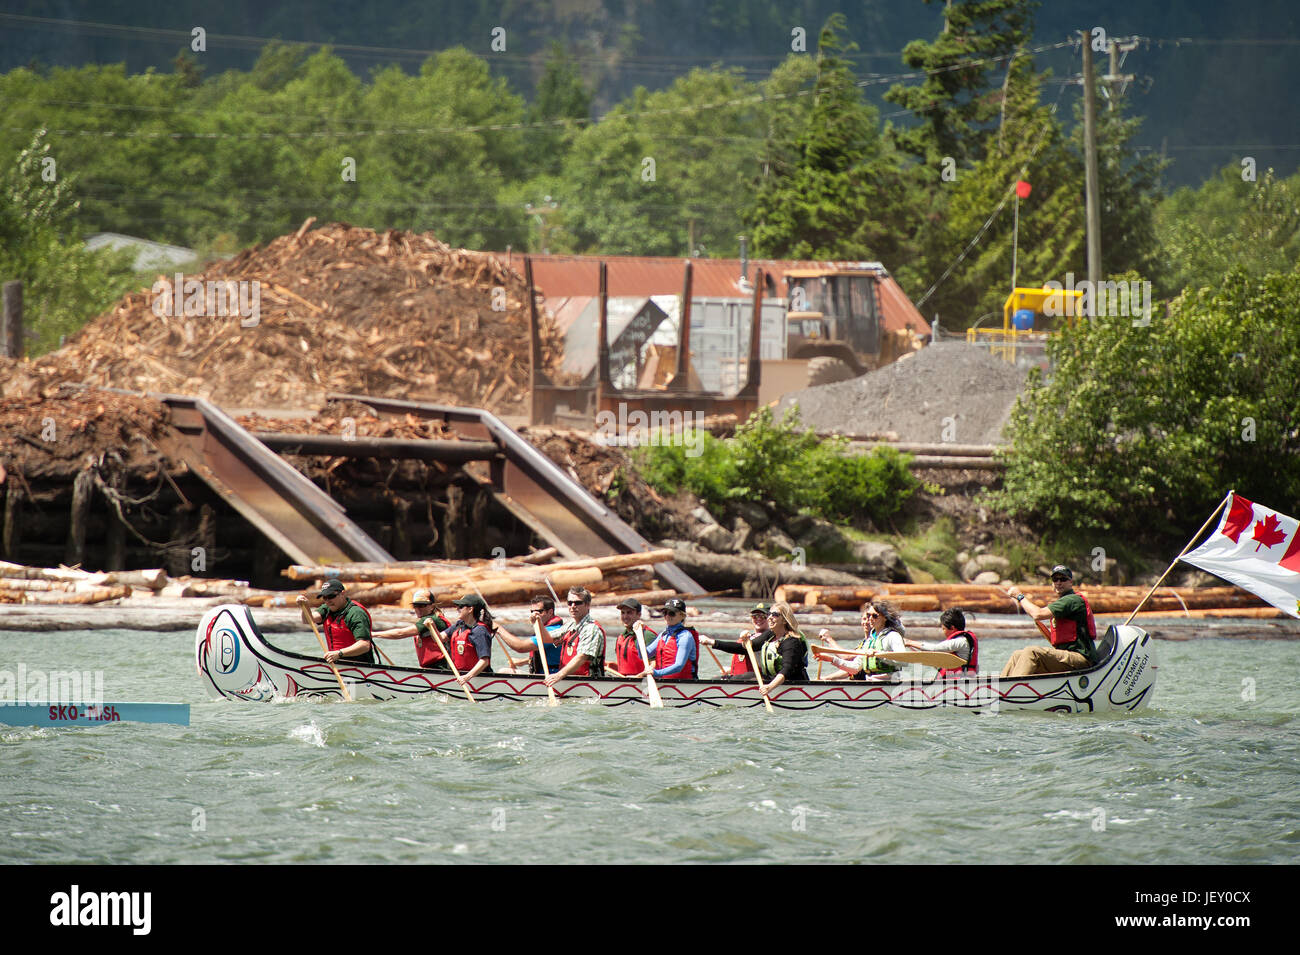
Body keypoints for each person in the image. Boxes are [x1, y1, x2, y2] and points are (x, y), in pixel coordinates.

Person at [1001, 565, 1098, 677]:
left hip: (1081, 659)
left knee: (1031, 653)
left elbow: (1037, 614)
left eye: (1063, 579)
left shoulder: (1073, 600)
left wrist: (1019, 596)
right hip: (1067, 657)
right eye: (1055, 579)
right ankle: (1000, 688)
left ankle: (1013, 689)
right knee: (1017, 655)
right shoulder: (1063, 601)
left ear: (1070, 582)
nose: (1058, 582)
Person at [703, 600, 807, 693]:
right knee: (738, 677)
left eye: (775, 614)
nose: (770, 617)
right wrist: (713, 642)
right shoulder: (770, 635)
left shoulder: (791, 641)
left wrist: (770, 687)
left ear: (784, 620)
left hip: (792, 684)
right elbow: (745, 648)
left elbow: (786, 669)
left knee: (749, 678)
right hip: (772, 680)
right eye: (769, 614)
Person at [815, 601, 906, 681]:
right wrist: (831, 659)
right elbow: (855, 668)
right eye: (868, 615)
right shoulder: (869, 641)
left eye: (874, 616)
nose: (870, 619)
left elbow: (903, 660)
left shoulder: (893, 636)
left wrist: (879, 655)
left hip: (889, 684)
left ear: (885, 618)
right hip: (871, 683)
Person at [296, 579, 374, 665]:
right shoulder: (327, 608)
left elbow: (364, 645)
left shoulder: (356, 613)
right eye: (324, 597)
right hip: (337, 664)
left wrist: (339, 653)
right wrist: (305, 606)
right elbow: (307, 620)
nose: (328, 601)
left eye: (331, 596)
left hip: (359, 666)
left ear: (343, 594)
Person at [371, 588, 451, 670]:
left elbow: (400, 633)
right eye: (415, 606)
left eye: (422, 605)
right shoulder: (430, 619)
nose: (418, 609)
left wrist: (374, 634)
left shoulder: (432, 620)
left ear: (432, 606)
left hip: (441, 668)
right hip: (431, 668)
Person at [544, 587, 606, 685]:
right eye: (570, 603)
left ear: (587, 605)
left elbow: (582, 657)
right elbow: (546, 638)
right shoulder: (571, 624)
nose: (573, 606)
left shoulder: (591, 629)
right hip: (569, 680)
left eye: (577, 603)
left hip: (587, 683)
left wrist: (559, 675)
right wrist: (538, 622)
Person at [494, 594, 564, 674]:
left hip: (551, 677)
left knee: (504, 672)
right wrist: (522, 661)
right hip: (540, 675)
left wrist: (498, 628)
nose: (533, 615)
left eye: (538, 612)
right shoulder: (544, 628)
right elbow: (545, 654)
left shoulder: (553, 631)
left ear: (550, 612)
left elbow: (520, 647)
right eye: (532, 612)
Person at [904, 607, 978, 678]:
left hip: (959, 682)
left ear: (952, 628)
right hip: (958, 679)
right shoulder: (964, 640)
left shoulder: (960, 642)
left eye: (944, 629)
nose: (943, 632)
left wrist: (910, 642)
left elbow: (934, 648)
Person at [639, 597, 698, 680]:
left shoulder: (685, 637)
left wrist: (656, 673)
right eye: (665, 612)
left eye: (672, 613)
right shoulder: (664, 635)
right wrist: (639, 634)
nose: (667, 616)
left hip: (682, 683)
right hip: (663, 681)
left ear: (682, 615)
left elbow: (679, 666)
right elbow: (643, 655)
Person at [444, 593, 494, 685]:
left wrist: (467, 677)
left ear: (470, 609)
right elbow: (440, 638)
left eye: (461, 606)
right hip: (460, 676)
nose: (457, 609)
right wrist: (431, 626)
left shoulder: (480, 631)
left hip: (476, 678)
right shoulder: (459, 625)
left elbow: (485, 661)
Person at [721, 603, 771, 679]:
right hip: (738, 679)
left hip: (755, 679)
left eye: (763, 616)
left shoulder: (771, 639)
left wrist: (713, 642)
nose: (759, 619)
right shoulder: (747, 637)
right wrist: (730, 670)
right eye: (755, 616)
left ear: (770, 618)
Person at [611, 598, 658, 677]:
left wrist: (640, 676)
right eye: (623, 613)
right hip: (623, 683)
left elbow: (654, 664)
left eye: (629, 613)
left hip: (641, 683)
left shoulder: (647, 636)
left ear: (639, 614)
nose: (625, 616)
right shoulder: (621, 637)